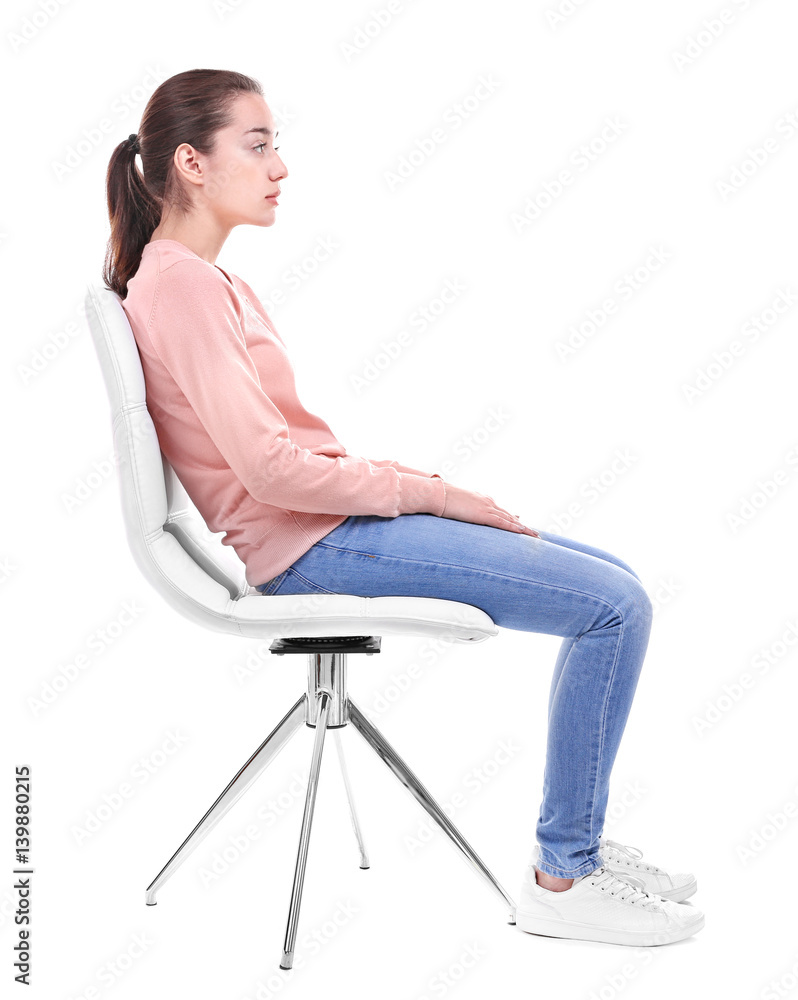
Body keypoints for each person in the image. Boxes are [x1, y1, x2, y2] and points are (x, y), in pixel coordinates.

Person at [103, 68, 704, 948]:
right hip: (316, 548)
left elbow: (293, 455)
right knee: (616, 608)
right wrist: (433, 492)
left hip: (332, 528)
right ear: (191, 162)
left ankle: (581, 849)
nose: (280, 165)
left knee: (613, 582)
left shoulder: (199, 279)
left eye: (277, 144)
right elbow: (272, 472)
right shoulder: (183, 285)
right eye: (258, 143)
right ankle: (564, 876)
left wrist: (419, 490)